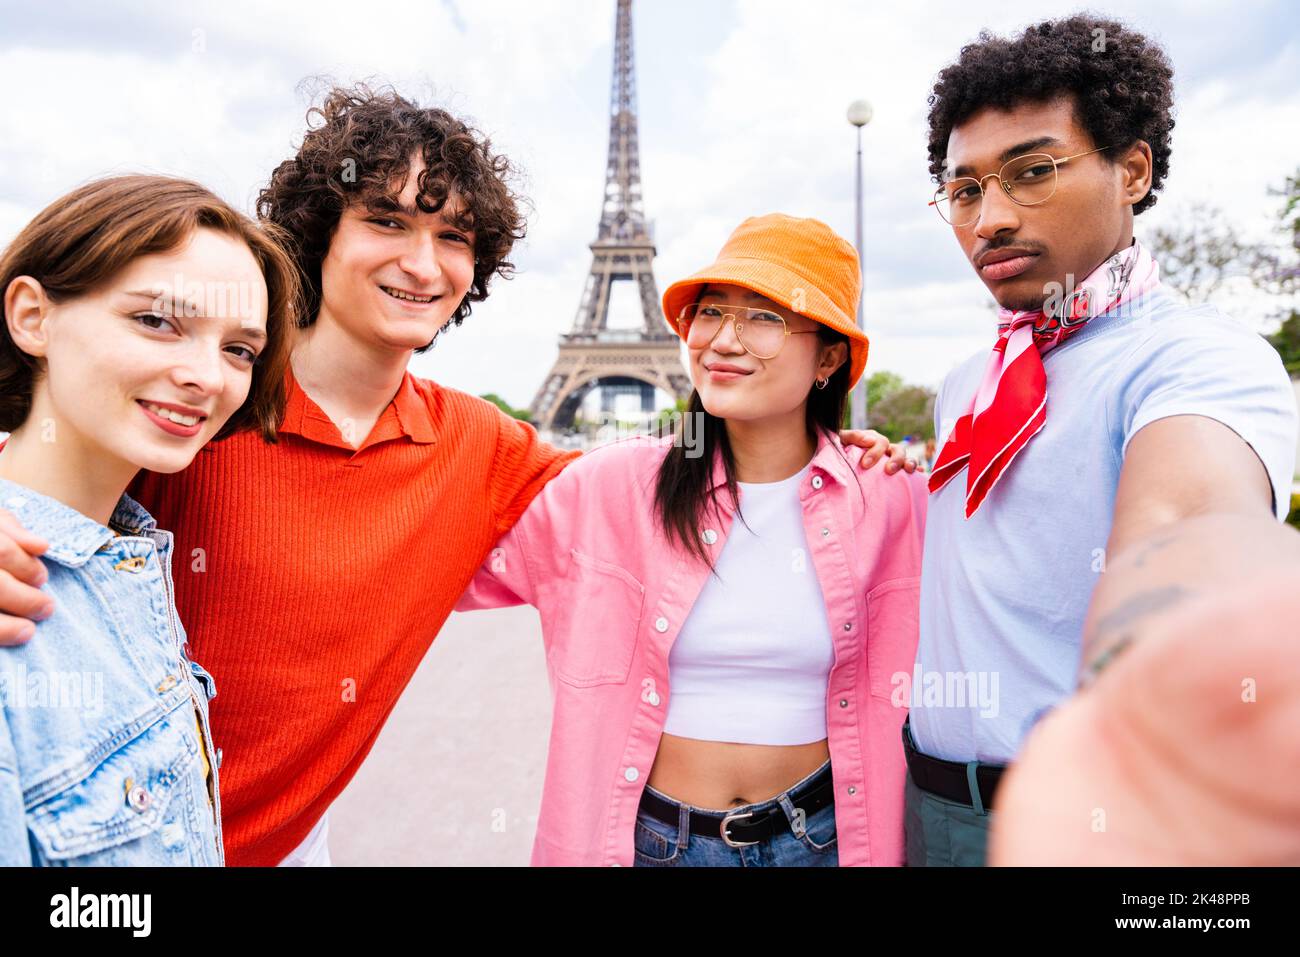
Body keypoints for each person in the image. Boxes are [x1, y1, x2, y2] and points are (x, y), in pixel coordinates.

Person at [0, 85, 911, 866]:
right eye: (387, 221)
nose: (422, 262)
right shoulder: (205, 409)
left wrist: (853, 454)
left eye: (454, 236)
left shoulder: (483, 447)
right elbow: (54, 441)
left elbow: (645, 490)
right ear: (319, 232)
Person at [906, 15, 1300, 866]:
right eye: (964, 189)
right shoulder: (967, 382)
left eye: (1032, 171)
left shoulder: (1199, 357)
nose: (990, 217)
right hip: (927, 810)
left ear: (1132, 169)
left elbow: (1180, 532)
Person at [456, 214, 928, 866]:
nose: (724, 340)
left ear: (829, 356)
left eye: (764, 317)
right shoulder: (612, 487)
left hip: (822, 839)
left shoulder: (892, 500)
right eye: (711, 312)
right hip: (656, 843)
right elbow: (445, 564)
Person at [0, 175, 298, 864]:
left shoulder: (127, 558)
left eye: (239, 349)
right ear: (32, 316)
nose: (207, 376)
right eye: (158, 320)